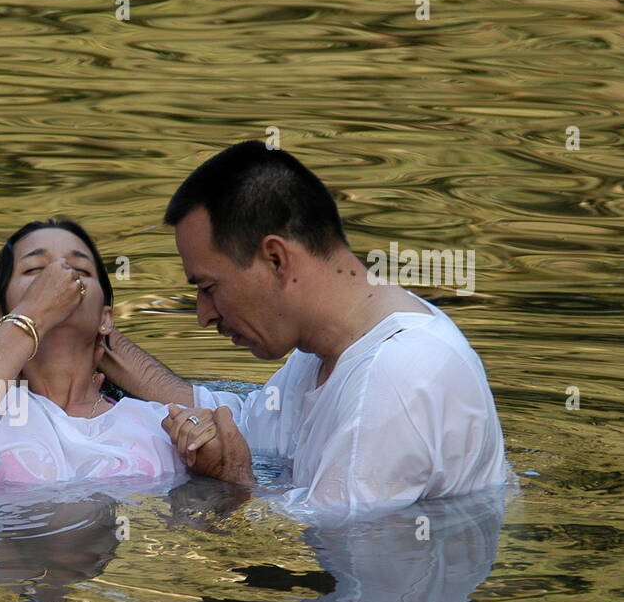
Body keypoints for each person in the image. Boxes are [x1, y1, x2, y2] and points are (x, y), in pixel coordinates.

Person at [101, 141, 508, 519]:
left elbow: (339, 547)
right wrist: (100, 340)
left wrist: (234, 482)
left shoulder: (399, 374)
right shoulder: (323, 353)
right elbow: (240, 425)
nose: (204, 315)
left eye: (209, 288)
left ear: (276, 259)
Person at [0, 219, 197, 501]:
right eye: (35, 270)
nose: (61, 277)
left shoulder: (161, 426)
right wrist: (36, 314)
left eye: (79, 268)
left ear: (105, 319)